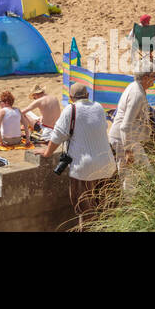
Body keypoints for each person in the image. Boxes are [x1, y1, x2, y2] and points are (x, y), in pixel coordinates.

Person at [34, 82, 117, 228]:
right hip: (107, 164)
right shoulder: (98, 107)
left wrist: (47, 153)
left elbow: (57, 135)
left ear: (71, 97)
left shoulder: (70, 110)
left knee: (86, 212)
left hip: (84, 169)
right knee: (105, 209)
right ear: (87, 95)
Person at [109, 67, 155, 191]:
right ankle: (129, 205)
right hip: (124, 140)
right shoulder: (137, 94)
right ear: (145, 78)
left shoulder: (136, 88)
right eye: (153, 76)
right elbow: (125, 126)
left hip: (129, 140)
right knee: (128, 176)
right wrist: (128, 151)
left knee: (144, 172)